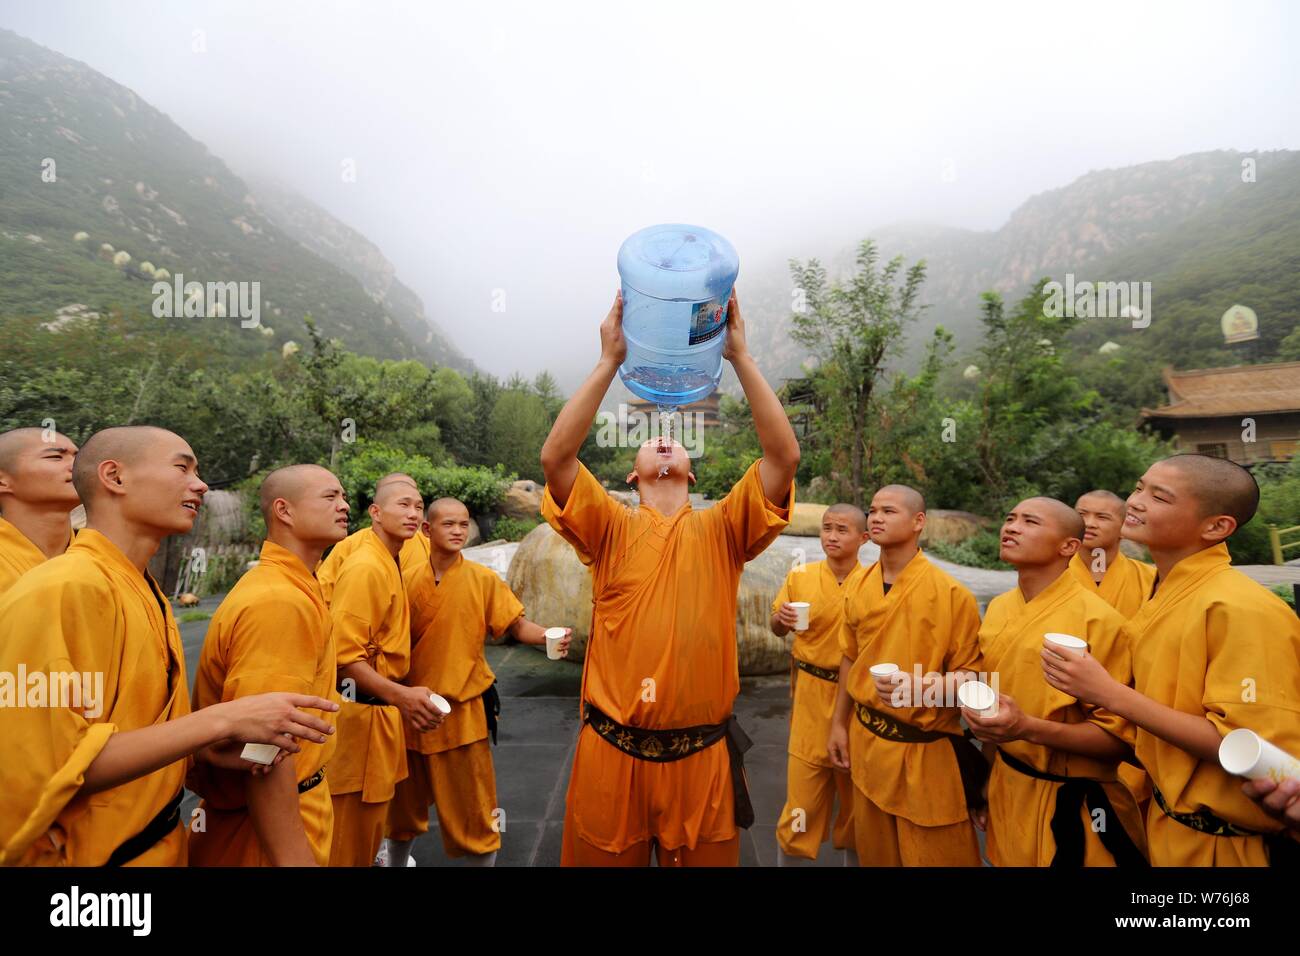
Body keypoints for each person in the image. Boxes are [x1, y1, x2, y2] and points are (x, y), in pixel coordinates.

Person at [540, 290, 799, 866]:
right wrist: (609, 360)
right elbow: (556, 460)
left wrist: (741, 359)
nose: (663, 438)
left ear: (692, 468)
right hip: (614, 751)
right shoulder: (607, 527)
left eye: (676, 440)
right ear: (631, 478)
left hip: (701, 757)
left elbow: (783, 459)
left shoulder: (724, 529)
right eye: (650, 441)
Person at [0, 426, 337, 866]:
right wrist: (221, 720)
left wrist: (203, 750)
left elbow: (131, 729)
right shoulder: (61, 588)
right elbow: (51, 769)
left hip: (161, 843)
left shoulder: (144, 589)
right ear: (114, 478)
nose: (200, 484)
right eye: (183, 467)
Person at [1044, 455, 1300, 865]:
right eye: (1139, 487)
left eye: (1159, 497)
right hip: (1168, 825)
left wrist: (1107, 693)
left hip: (1229, 844)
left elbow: (1250, 750)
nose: (1137, 502)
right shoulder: (1166, 591)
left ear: (1216, 526)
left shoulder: (1241, 608)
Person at [381, 496, 572, 868]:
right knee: (400, 811)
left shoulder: (482, 580)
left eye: (463, 524)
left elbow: (515, 624)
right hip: (409, 711)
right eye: (447, 524)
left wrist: (547, 634)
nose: (457, 530)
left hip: (462, 712)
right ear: (426, 530)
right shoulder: (402, 581)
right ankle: (395, 863)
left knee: (476, 811)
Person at [964, 496, 1147, 866]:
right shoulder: (1000, 608)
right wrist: (986, 779)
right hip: (1009, 785)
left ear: (1069, 546)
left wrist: (1027, 728)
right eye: (1010, 518)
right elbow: (996, 709)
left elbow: (1120, 744)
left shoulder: (1101, 622)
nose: (1011, 527)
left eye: (1030, 522)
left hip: (1077, 800)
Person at [188, 465, 351, 866]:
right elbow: (264, 748)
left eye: (343, 496)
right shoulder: (278, 600)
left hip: (291, 804)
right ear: (285, 511)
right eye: (330, 497)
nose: (345, 505)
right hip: (263, 825)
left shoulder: (296, 584)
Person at [829, 485, 986, 866]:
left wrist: (923, 688)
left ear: (919, 522)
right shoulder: (858, 584)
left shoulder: (952, 594)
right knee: (875, 854)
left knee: (934, 854)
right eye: (873, 510)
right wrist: (838, 725)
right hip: (867, 740)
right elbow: (851, 658)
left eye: (889, 511)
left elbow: (973, 684)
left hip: (924, 752)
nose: (877, 517)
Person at [327, 473, 445, 866]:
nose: (413, 514)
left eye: (418, 506)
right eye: (403, 505)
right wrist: (402, 695)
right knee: (347, 841)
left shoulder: (391, 557)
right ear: (375, 512)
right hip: (360, 715)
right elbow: (345, 658)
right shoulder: (365, 566)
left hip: (379, 716)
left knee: (369, 829)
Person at [769, 502, 866, 866]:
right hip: (811, 693)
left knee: (858, 806)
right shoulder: (801, 576)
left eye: (843, 530)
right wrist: (781, 619)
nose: (832, 536)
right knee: (803, 803)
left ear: (863, 538)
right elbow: (777, 628)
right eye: (827, 528)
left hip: (857, 698)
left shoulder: (875, 583)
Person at [0, 427, 79, 597]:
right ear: (2, 482)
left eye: (79, 458)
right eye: (55, 457)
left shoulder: (101, 557)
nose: (78, 466)